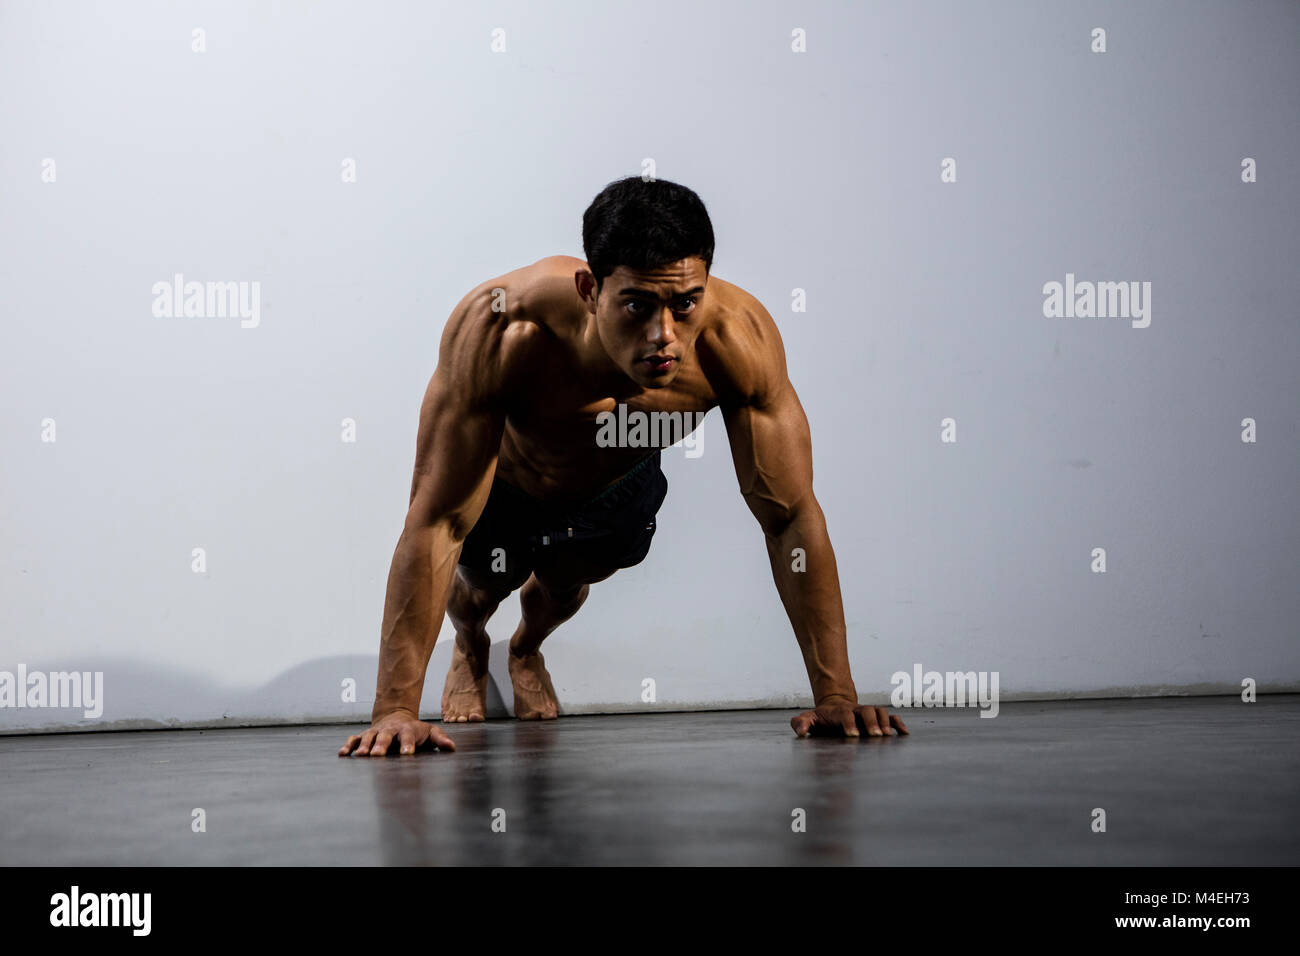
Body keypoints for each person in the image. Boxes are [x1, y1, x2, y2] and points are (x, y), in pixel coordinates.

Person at [339, 177, 908, 757]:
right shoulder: (504, 327)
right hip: (506, 485)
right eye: (637, 304)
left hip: (616, 486)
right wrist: (395, 710)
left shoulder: (738, 341)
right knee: (483, 583)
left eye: (685, 302)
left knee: (561, 589)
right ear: (590, 289)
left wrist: (835, 696)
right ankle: (469, 641)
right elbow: (436, 520)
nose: (664, 335)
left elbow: (789, 518)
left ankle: (525, 649)